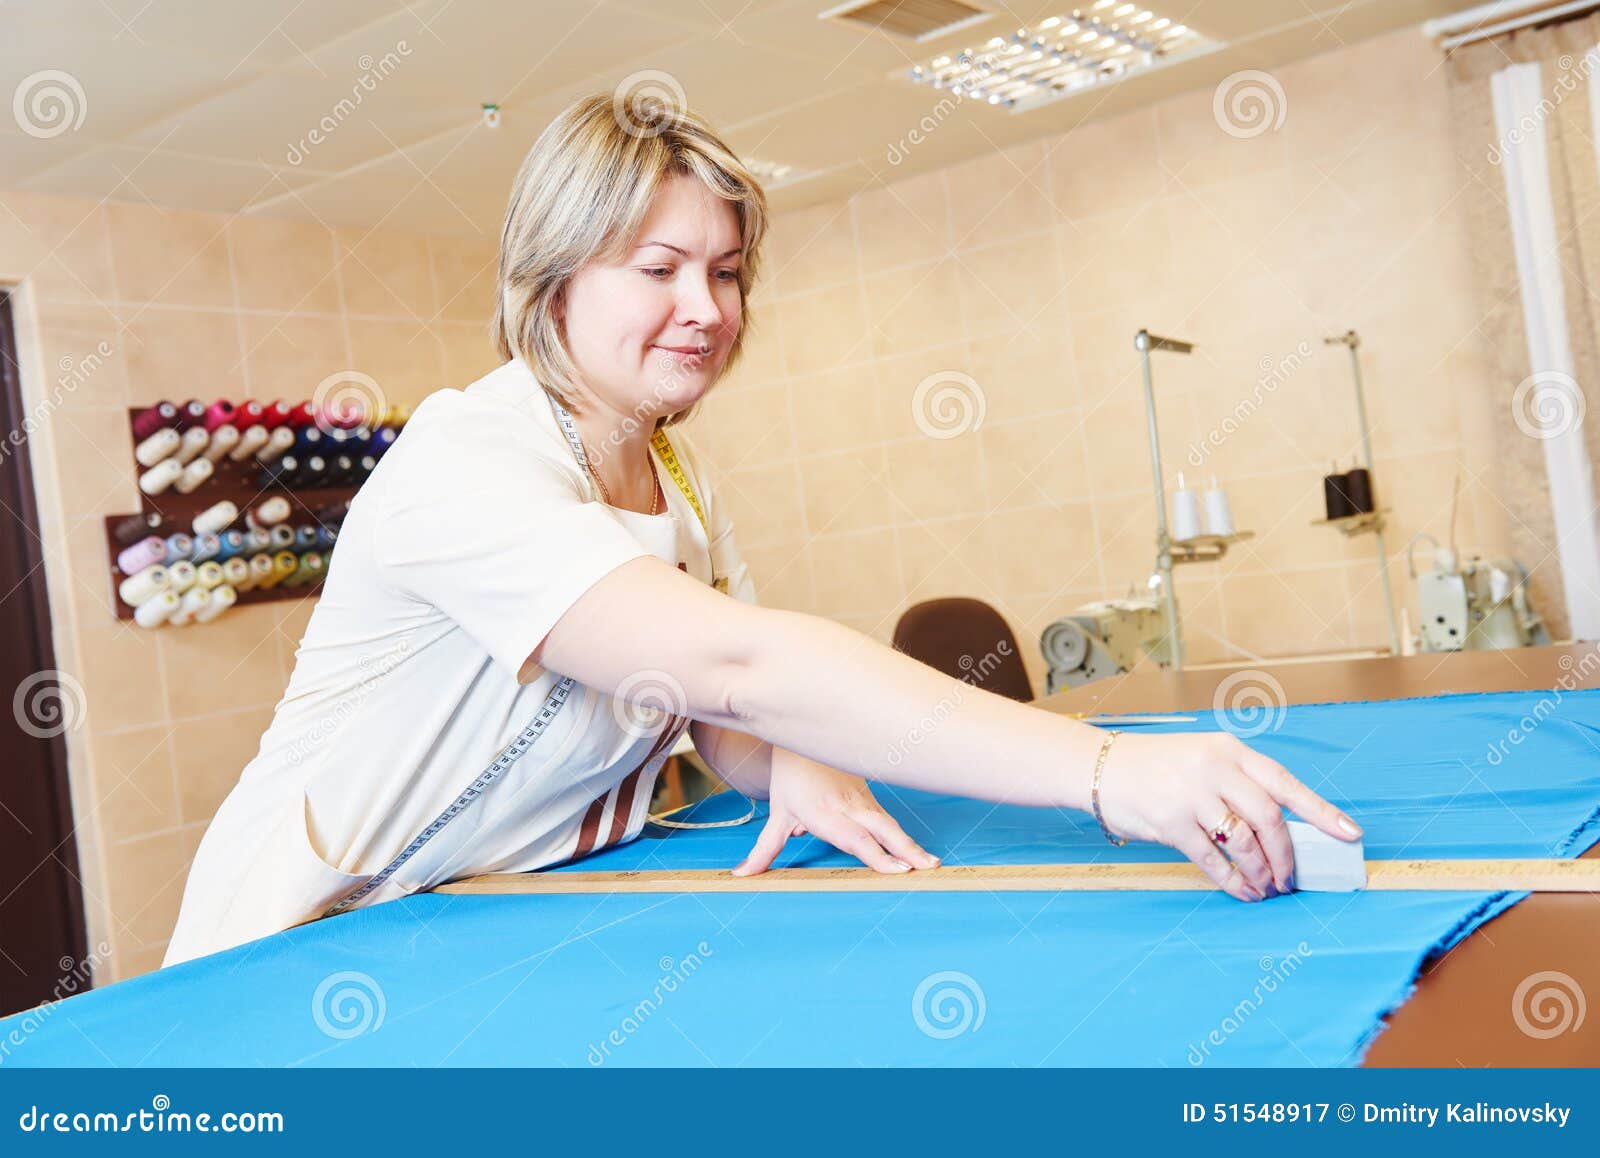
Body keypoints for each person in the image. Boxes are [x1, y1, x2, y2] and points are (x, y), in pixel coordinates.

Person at [162, 92, 1361, 967]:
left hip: (483, 920)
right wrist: (1108, 775)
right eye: (661, 269)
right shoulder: (464, 465)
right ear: (551, 284)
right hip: (294, 950)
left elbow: (709, 708)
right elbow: (739, 662)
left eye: (728, 274)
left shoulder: (669, 466)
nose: (706, 312)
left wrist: (782, 757)